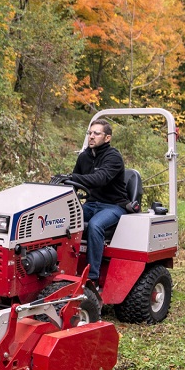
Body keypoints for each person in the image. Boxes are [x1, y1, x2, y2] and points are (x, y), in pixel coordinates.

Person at [68, 119, 127, 285]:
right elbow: (74, 184)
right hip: (92, 203)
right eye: (90, 133)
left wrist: (72, 177)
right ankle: (64, 269)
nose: (91, 136)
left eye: (96, 133)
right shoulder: (84, 157)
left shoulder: (113, 157)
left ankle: (92, 277)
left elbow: (99, 179)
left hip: (115, 206)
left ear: (107, 138)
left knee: (95, 225)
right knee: (65, 220)